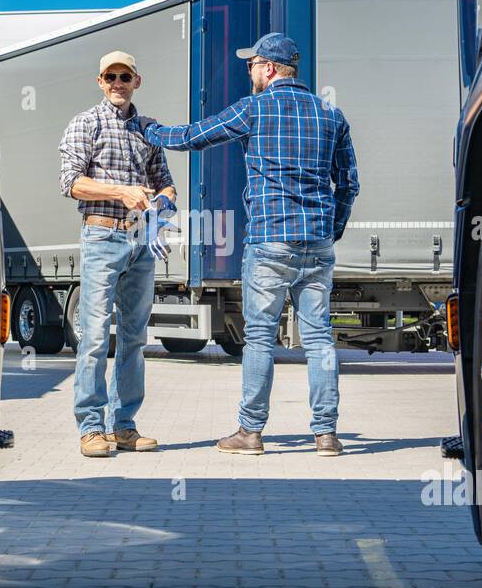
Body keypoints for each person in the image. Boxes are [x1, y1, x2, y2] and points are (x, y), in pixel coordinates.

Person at [132, 33, 358, 457]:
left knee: (258, 338)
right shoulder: (332, 115)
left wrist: (151, 129)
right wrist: (332, 228)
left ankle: (251, 433)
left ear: (269, 68)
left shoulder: (254, 108)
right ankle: (326, 435)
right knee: (319, 339)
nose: (248, 71)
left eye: (251, 64)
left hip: (271, 242)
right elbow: (348, 184)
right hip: (317, 244)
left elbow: (195, 136)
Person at [58, 50, 177, 458]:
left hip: (142, 242)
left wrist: (161, 211)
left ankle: (123, 426)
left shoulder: (149, 130)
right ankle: (91, 428)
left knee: (134, 338)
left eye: (124, 76)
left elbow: (166, 184)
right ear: (99, 80)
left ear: (136, 81)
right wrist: (121, 192)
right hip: (101, 238)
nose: (117, 83)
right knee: (93, 338)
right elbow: (71, 183)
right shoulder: (85, 124)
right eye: (110, 76)